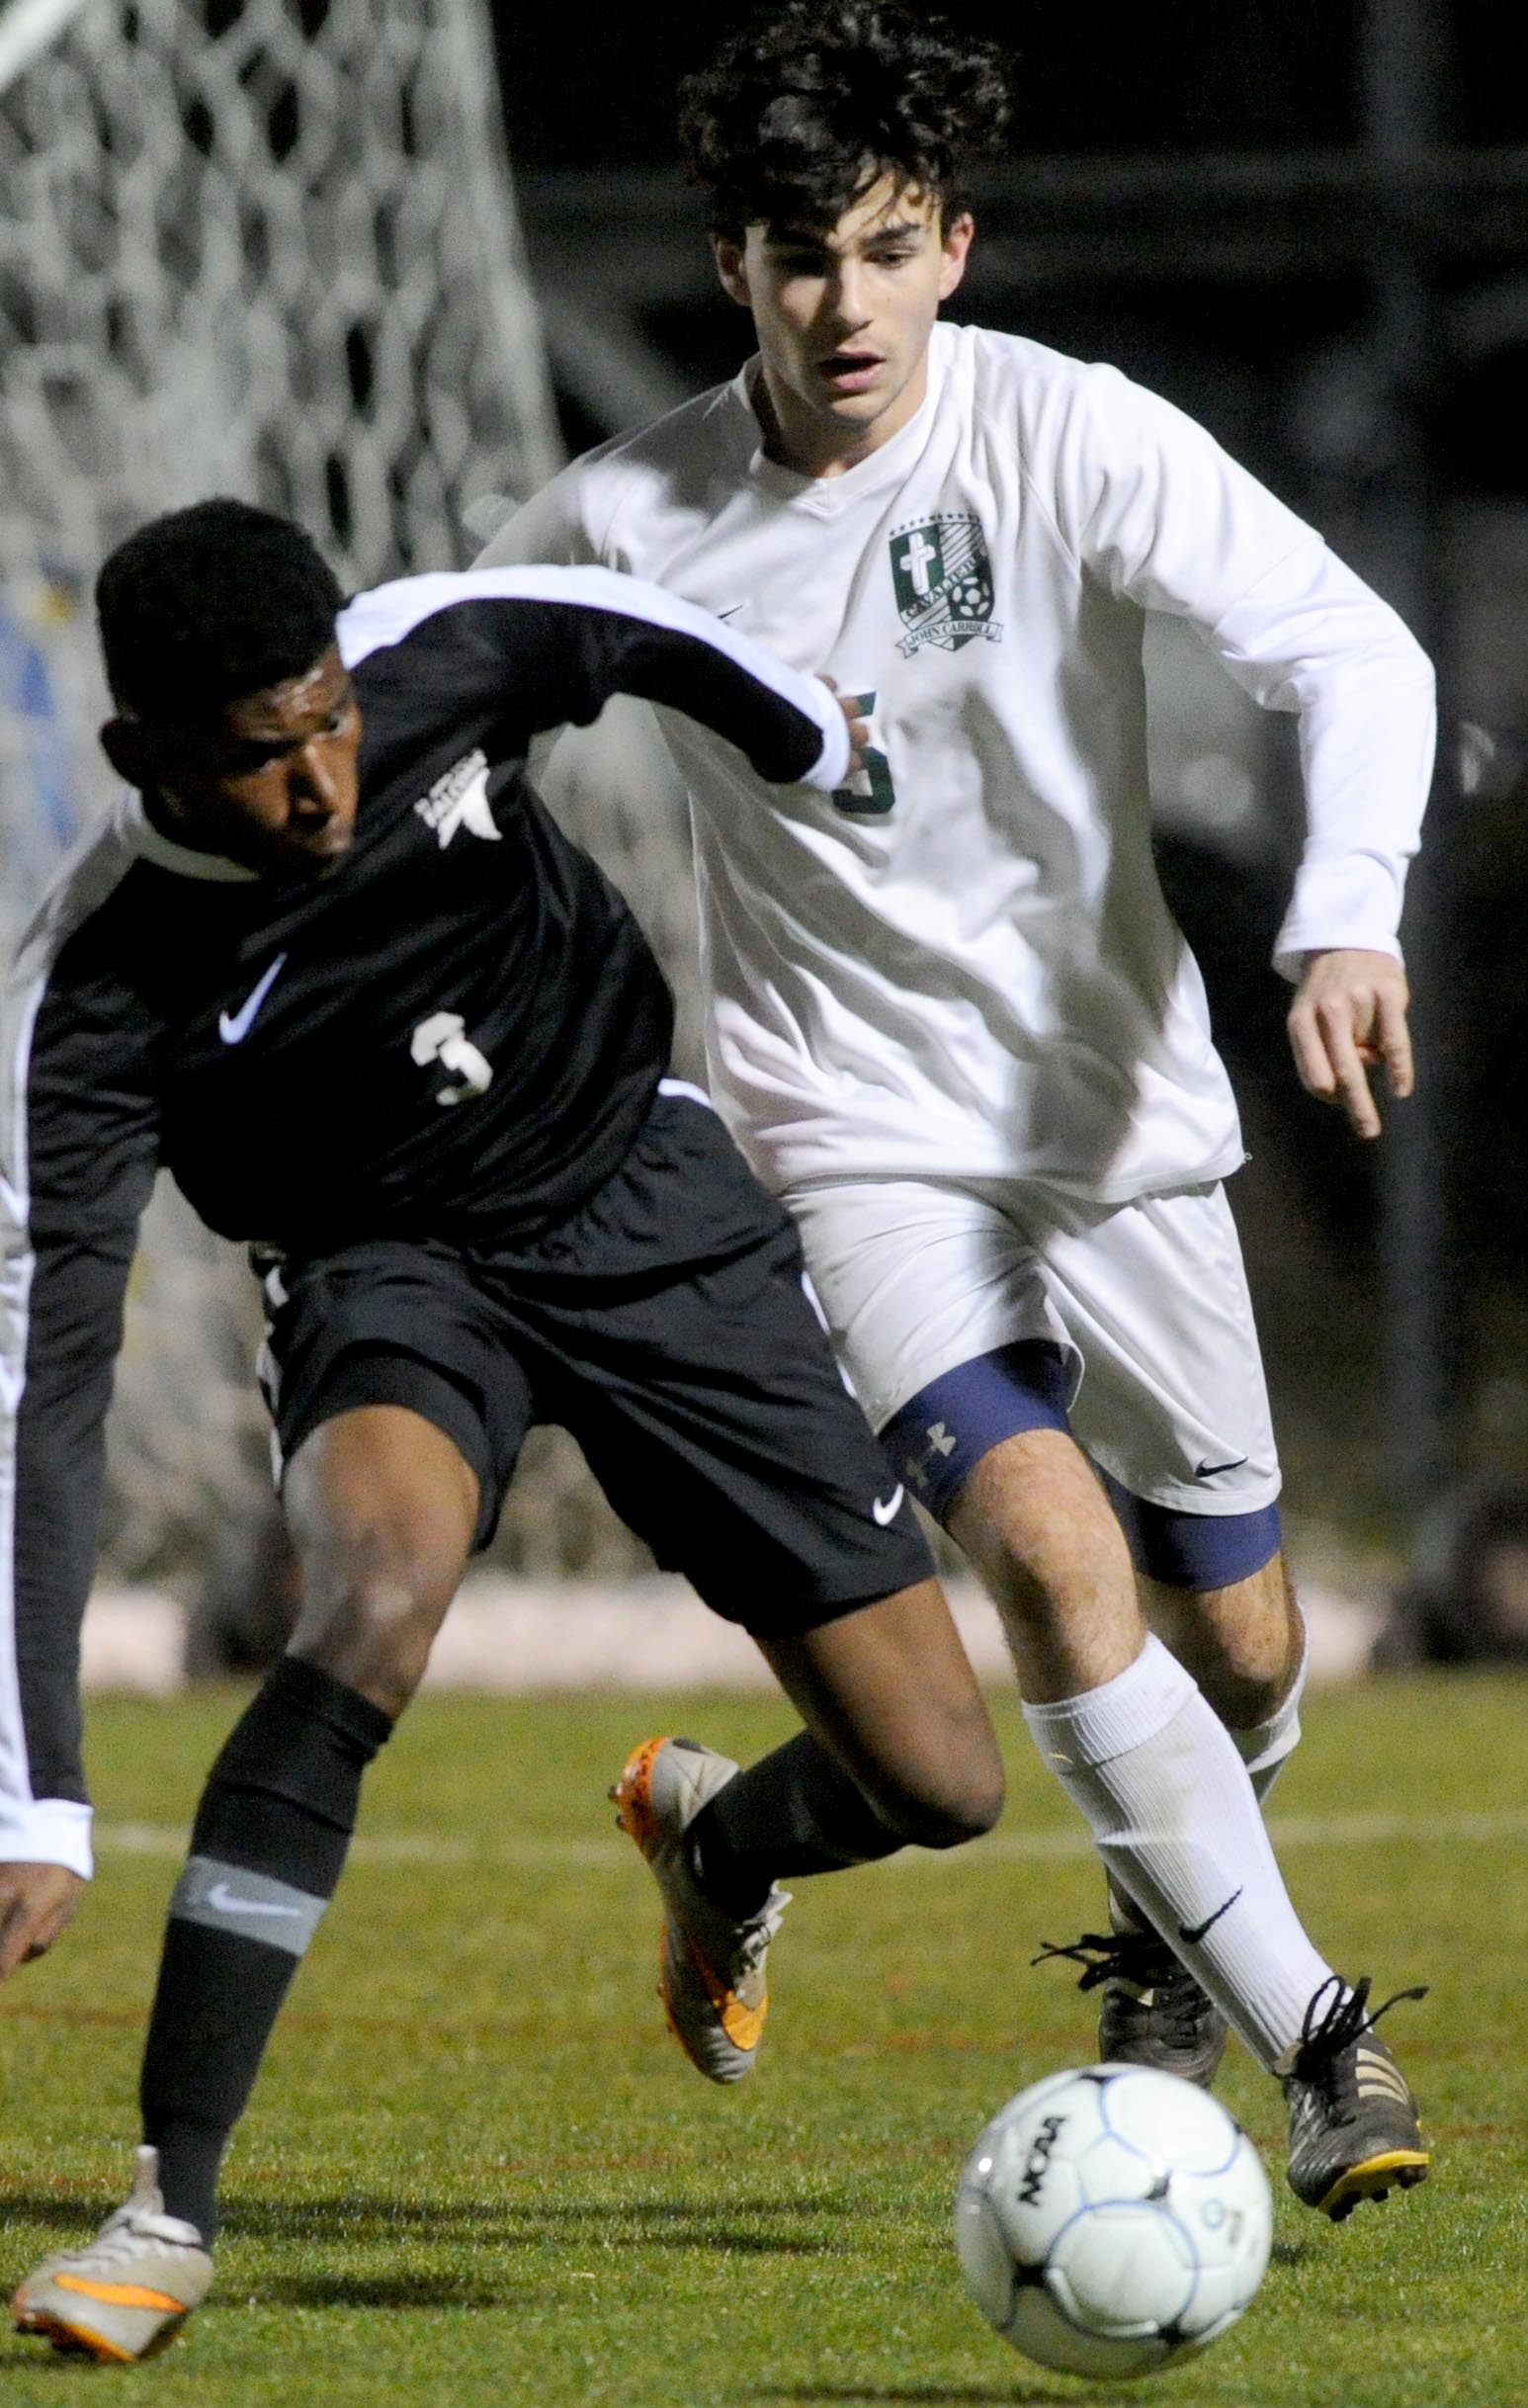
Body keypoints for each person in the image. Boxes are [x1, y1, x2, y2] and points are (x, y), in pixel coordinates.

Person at [477, 1, 1434, 2218]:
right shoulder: (629, 514)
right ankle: (1311, 2047)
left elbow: (1350, 653)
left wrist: (1345, 914)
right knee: (1044, 1552)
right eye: (797, 253)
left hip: (1117, 1120)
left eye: (886, 247)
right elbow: (431, 700)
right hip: (852, 1141)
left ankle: (730, 1838)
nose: (843, 302)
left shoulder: (1062, 435)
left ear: (955, 248)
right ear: (730, 261)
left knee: (1247, 1640)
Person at [3, 497, 1016, 2363]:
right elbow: (41, 1390)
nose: (321, 781)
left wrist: (812, 729)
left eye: (329, 723)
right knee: (373, 1591)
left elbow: (609, 626)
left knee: (943, 1785)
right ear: (142, 755)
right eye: (259, 754)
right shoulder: (96, 993)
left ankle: (723, 1854)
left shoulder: (433, 654)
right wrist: (36, 1792)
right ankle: (167, 2211)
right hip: (391, 1272)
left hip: (641, 1192)